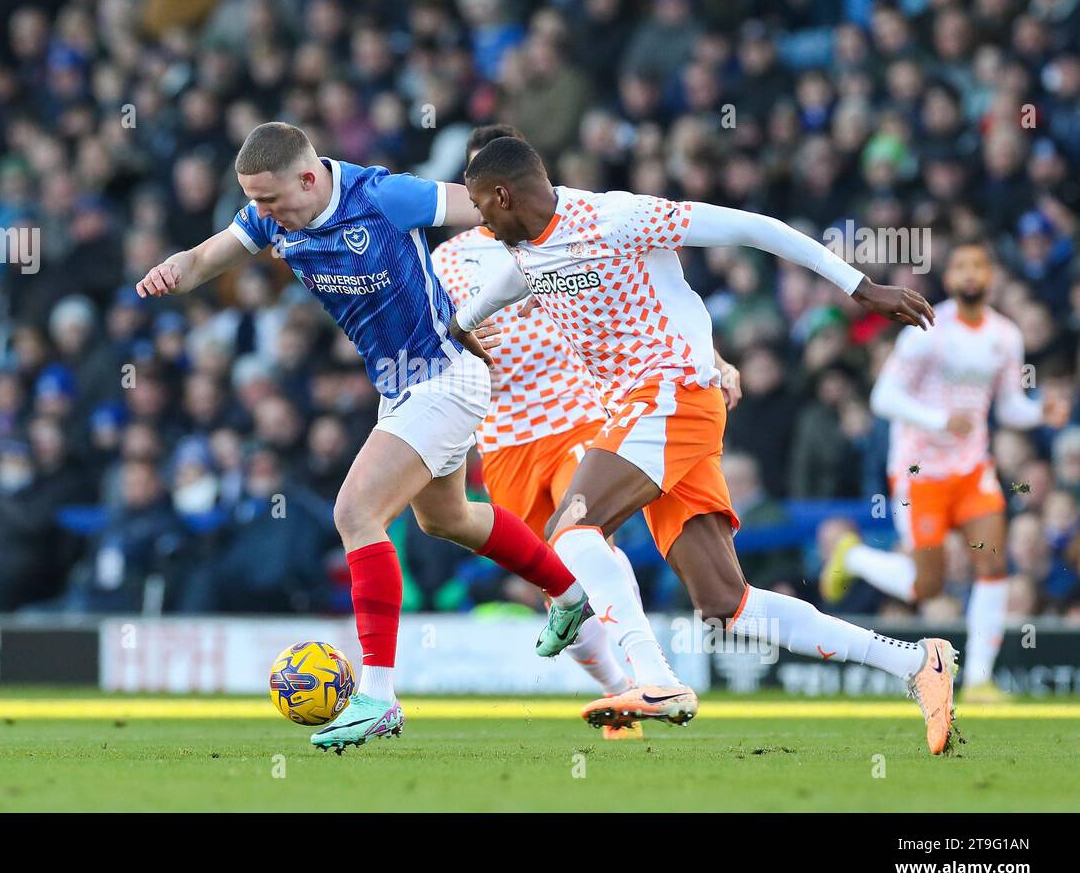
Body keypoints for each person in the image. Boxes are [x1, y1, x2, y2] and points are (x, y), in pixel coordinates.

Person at [449, 135, 960, 755]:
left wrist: (860, 288)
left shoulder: (616, 217)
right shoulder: (523, 252)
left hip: (672, 397)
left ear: (503, 195)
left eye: (479, 205)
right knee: (726, 605)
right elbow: (487, 301)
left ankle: (656, 681)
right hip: (650, 417)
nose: (477, 218)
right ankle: (916, 661)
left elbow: (756, 227)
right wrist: (454, 331)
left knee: (570, 530)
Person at [135, 122, 596, 752]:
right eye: (253, 200)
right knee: (448, 519)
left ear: (308, 177)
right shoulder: (273, 217)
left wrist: (571, 239)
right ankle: (568, 593)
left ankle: (378, 697)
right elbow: (206, 260)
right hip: (402, 388)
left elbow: (499, 202)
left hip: (445, 377)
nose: (261, 213)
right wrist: (172, 272)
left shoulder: (382, 197)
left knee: (356, 512)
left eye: (269, 199)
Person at [432, 123, 743, 739]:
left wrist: (714, 360)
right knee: (559, 589)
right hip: (504, 439)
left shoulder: (573, 233)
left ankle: (654, 673)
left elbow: (642, 313)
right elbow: (438, 343)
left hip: (580, 415)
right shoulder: (448, 260)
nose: (483, 196)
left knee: (585, 536)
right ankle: (619, 694)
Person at [820, 241, 1069, 702]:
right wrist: (939, 421)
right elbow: (883, 399)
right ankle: (852, 556)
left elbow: (1009, 404)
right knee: (927, 583)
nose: (971, 273)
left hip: (972, 470)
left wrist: (1040, 413)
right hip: (919, 471)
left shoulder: (1006, 336)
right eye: (961, 265)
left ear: (991, 276)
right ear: (950, 278)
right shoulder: (926, 328)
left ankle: (977, 681)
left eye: (979, 264)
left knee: (992, 563)